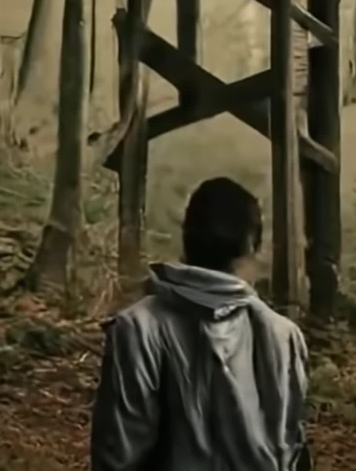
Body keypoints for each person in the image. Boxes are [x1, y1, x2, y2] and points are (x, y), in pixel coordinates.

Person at [91, 176, 311, 470]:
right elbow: (292, 455)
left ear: (187, 239)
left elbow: (118, 456)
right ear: (252, 244)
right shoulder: (285, 336)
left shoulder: (138, 327)